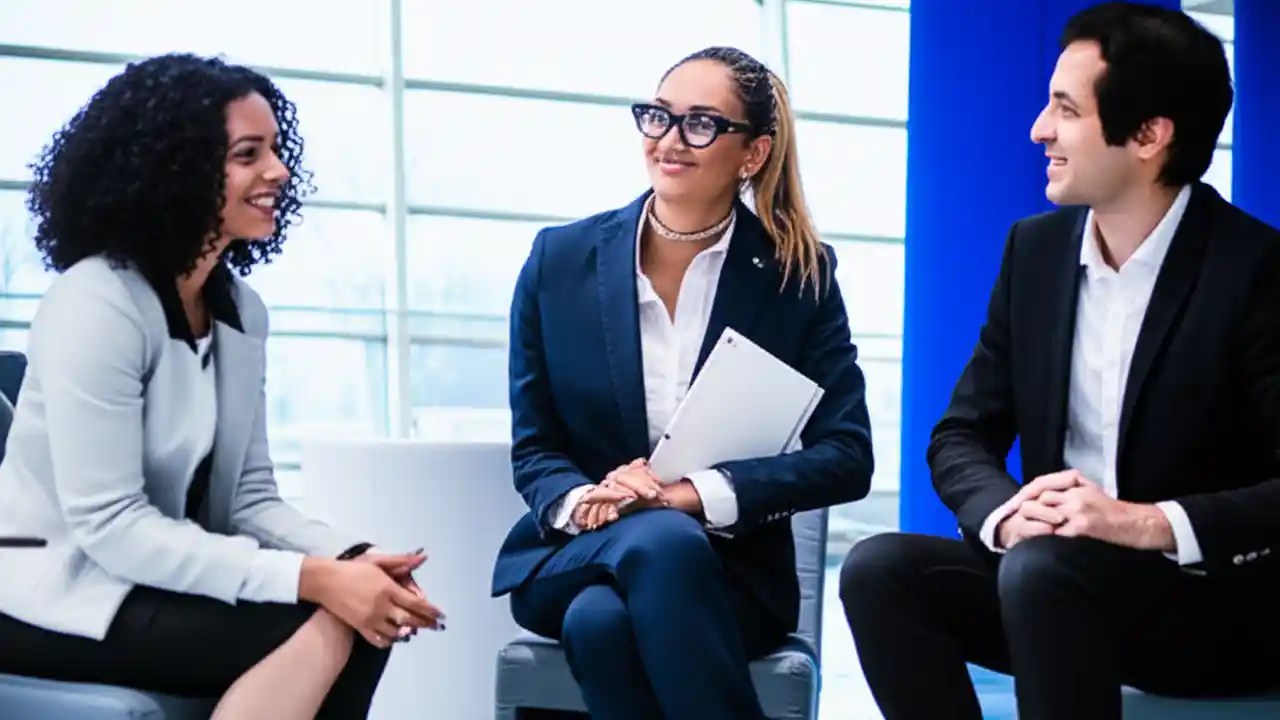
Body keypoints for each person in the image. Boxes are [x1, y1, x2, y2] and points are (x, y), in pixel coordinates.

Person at [840, 3, 1280, 719]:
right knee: (880, 570)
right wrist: (1006, 519)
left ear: (1149, 135)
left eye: (1065, 109)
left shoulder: (1256, 270)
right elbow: (960, 436)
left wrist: (1140, 522)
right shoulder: (1035, 253)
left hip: (1213, 609)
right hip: (1053, 586)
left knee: (1044, 574)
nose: (1039, 129)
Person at [0, 53, 444, 719]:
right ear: (174, 170)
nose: (278, 171)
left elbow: (249, 498)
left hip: (139, 581)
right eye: (248, 154)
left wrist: (347, 556)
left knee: (365, 614)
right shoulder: (94, 302)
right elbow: (111, 525)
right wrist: (316, 579)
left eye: (274, 149)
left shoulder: (239, 309)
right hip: (47, 593)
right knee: (327, 618)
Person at [489, 45, 874, 720]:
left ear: (751, 154)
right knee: (645, 554)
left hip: (731, 576)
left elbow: (847, 457)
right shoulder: (560, 262)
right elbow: (535, 448)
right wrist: (591, 500)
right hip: (579, 549)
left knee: (601, 625)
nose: (670, 139)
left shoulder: (797, 278)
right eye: (658, 116)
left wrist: (692, 495)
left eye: (701, 124)